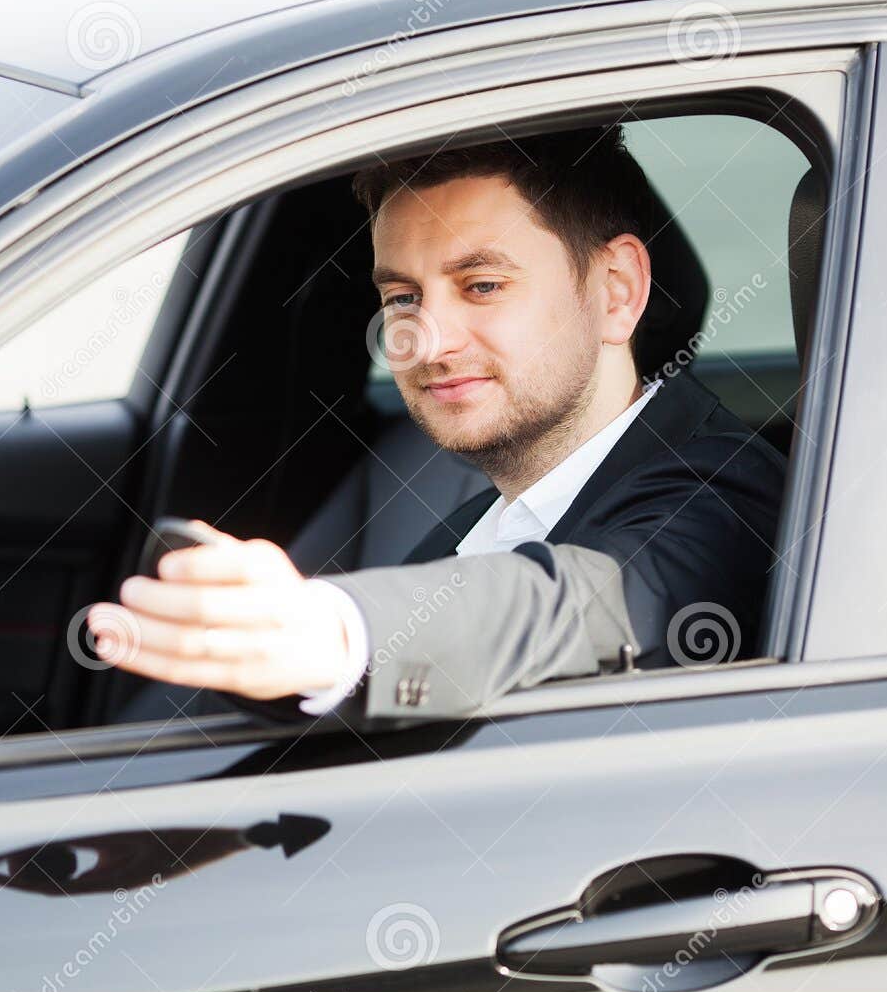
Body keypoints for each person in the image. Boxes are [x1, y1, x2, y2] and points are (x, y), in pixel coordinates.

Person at [87, 127, 786, 722]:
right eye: (402, 296)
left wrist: (336, 630)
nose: (427, 340)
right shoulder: (474, 525)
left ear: (616, 291)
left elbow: (596, 603)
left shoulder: (728, 496)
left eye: (481, 285)